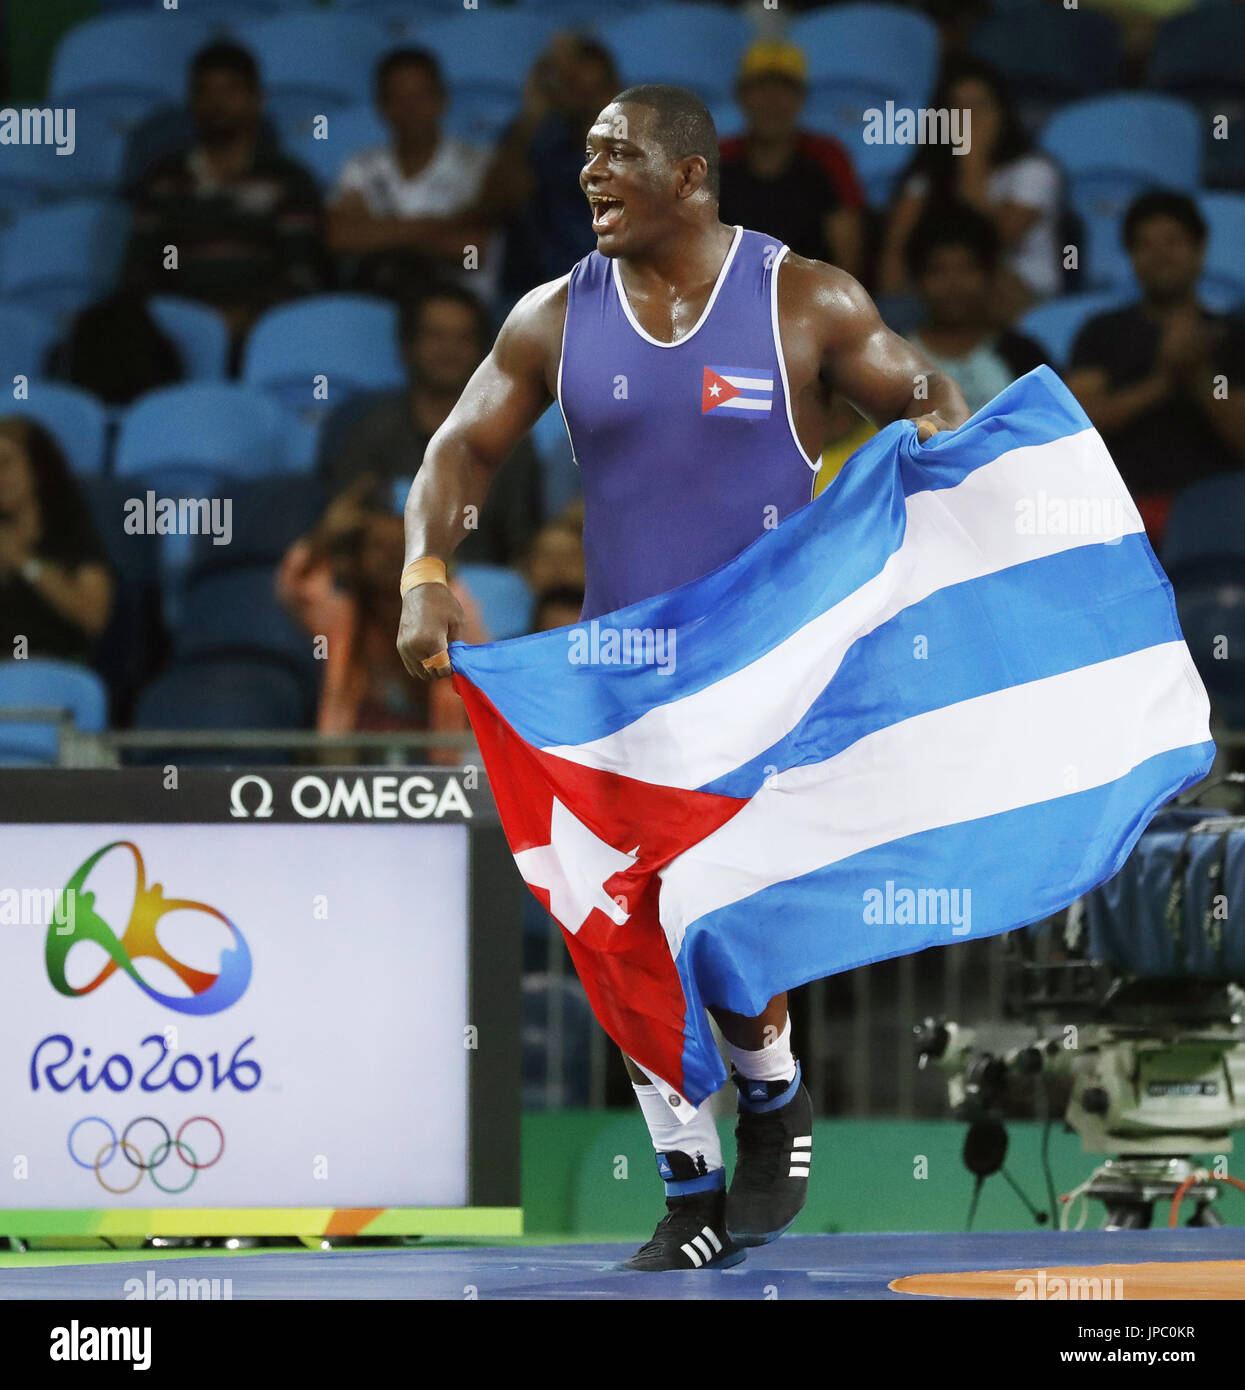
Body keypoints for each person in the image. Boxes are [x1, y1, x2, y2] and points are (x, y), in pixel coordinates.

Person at [396, 83, 968, 1270]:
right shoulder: (555, 315)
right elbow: (461, 447)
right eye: (587, 155)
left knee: (717, 917)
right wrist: (425, 569)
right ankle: (688, 1190)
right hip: (618, 684)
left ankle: (772, 1090)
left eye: (618, 155)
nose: (591, 175)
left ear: (690, 174)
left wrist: (946, 500)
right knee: (619, 923)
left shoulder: (802, 298)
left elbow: (931, 403)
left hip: (765, 679)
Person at [318, 282, 543, 568]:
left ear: (484, 351)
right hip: (384, 581)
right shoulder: (370, 431)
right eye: (434, 336)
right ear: (406, 346)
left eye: (462, 338)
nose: (448, 350)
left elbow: (524, 549)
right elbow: (339, 531)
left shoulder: (511, 438)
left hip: (481, 586)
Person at [1065, 191, 1245, 546]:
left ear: (1200, 249)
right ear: (1131, 256)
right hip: (1120, 511)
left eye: (1173, 241)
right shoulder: (1103, 332)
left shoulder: (1233, 336)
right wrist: (1162, 381)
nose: (1160, 254)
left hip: (1220, 511)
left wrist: (1201, 375)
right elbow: (1078, 429)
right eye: (1146, 244)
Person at [122, 41, 325, 346]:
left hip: (259, 327)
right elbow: (144, 266)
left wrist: (245, 317)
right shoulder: (165, 180)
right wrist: (177, 316)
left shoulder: (289, 180)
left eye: (230, 91)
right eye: (205, 91)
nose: (216, 103)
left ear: (257, 100)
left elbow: (301, 273)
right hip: (175, 326)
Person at [277, 481, 486, 764]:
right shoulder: (348, 609)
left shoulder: (448, 599)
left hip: (465, 743)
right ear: (357, 553)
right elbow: (296, 576)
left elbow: (450, 703)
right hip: (386, 742)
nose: (389, 559)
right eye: (377, 546)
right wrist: (333, 776)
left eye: (400, 547)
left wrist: (442, 780)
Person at [878, 56, 1063, 321]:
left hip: (1023, 296)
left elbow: (989, 245)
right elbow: (896, 251)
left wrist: (972, 158)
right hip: (939, 297)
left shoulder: (1035, 170)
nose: (970, 118)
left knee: (978, 279)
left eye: (980, 106)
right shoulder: (928, 177)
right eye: (959, 108)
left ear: (1001, 113)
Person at [327, 48, 497, 304]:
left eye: (421, 96)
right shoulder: (361, 166)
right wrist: (440, 227)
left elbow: (474, 250)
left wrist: (377, 231)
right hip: (377, 300)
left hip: (458, 307)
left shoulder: (480, 164)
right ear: (381, 106)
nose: (411, 110)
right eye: (398, 98)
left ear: (442, 100)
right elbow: (340, 237)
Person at [467, 34, 621, 306]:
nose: (587, 101)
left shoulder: (634, 150)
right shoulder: (536, 139)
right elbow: (488, 206)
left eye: (595, 89)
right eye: (574, 88)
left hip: (606, 295)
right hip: (531, 295)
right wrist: (533, 113)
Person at [717, 40, 865, 280]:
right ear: (741, 96)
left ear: (802, 98)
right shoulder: (718, 158)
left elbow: (847, 258)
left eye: (784, 89)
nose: (772, 101)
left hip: (812, 293)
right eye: (760, 89)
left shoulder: (828, 157)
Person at [905, 208, 1047, 414]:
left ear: (990, 275)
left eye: (967, 268)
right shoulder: (896, 359)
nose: (953, 285)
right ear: (917, 280)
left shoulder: (1025, 356)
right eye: (938, 270)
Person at [0, 418, 113, 664]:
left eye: (7, 463)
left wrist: (25, 563)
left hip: (55, 670)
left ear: (37, 466)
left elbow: (94, 617)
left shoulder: (71, 531)